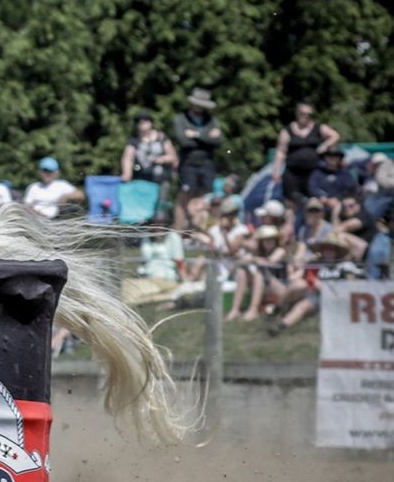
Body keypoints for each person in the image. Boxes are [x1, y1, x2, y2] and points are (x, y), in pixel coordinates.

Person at [271, 102, 340, 205]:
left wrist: (324, 146)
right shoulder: (287, 130)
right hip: (292, 172)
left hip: (312, 172)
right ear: (297, 113)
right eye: (302, 113)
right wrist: (276, 170)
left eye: (309, 114)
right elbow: (280, 151)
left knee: (315, 200)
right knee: (290, 202)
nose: (305, 116)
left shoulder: (318, 127)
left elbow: (335, 135)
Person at [173, 88, 222, 228]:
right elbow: (183, 141)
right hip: (188, 163)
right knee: (184, 196)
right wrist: (207, 137)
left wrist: (196, 135)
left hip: (207, 163)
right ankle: (179, 232)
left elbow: (218, 141)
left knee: (206, 198)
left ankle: (203, 230)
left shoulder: (211, 120)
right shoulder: (181, 119)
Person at [226, 224, 287, 322]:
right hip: (266, 285)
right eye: (265, 239)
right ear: (261, 241)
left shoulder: (280, 250)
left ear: (276, 240)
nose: (269, 241)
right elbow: (240, 262)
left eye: (271, 239)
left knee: (259, 274)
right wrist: (246, 258)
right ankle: (235, 309)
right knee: (242, 272)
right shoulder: (258, 252)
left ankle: (253, 310)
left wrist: (253, 259)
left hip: (280, 288)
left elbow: (270, 261)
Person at [121, 112, 177, 187]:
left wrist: (161, 159)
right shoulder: (134, 141)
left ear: (151, 123)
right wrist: (127, 174)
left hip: (161, 177)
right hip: (141, 179)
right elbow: (128, 158)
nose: (143, 125)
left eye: (145, 122)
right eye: (140, 123)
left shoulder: (161, 137)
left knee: (162, 197)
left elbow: (173, 157)